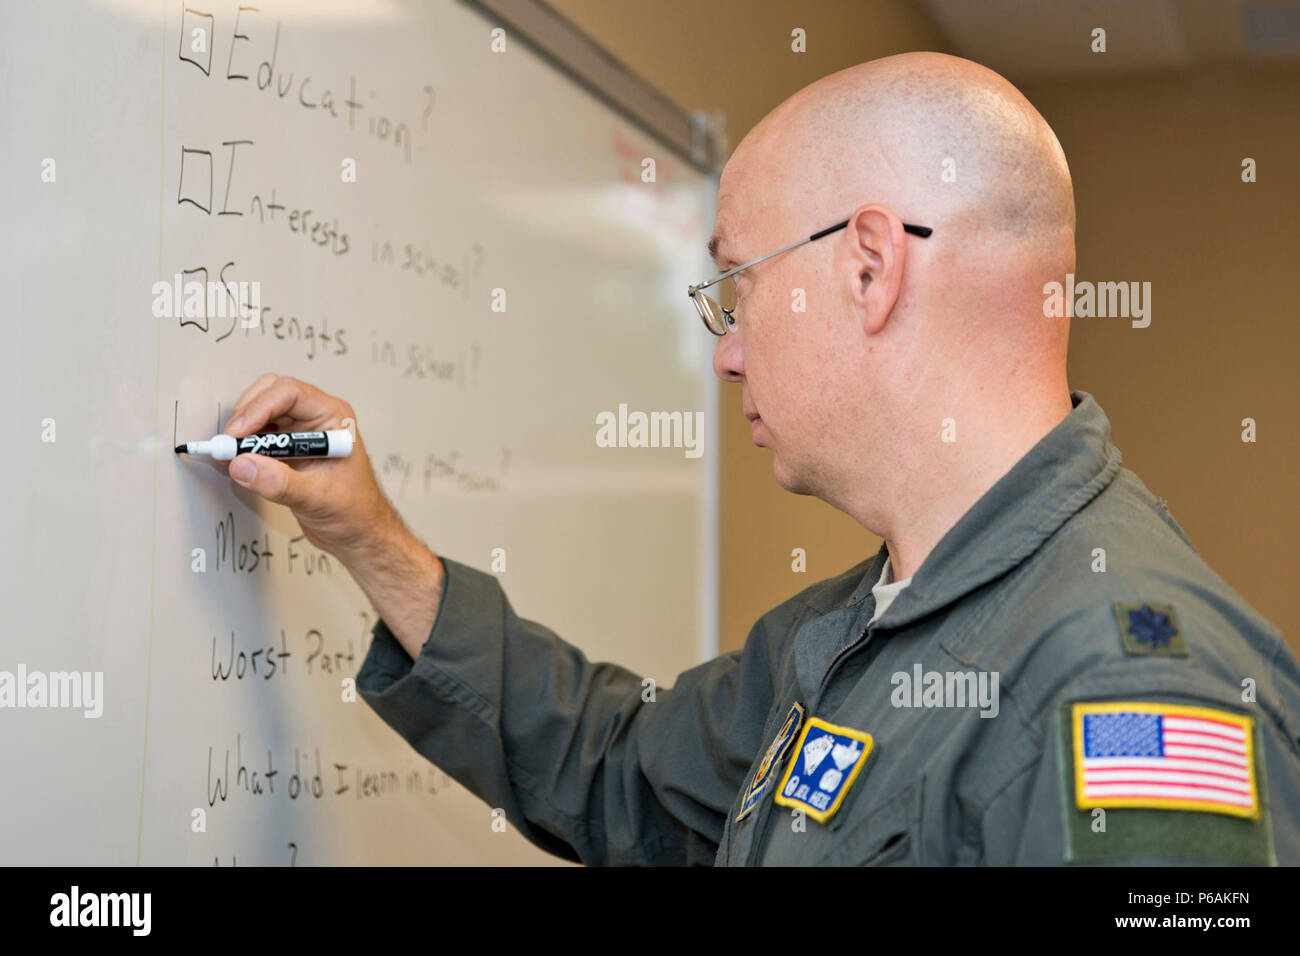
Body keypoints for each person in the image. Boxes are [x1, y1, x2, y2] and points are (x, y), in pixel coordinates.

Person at [212, 52, 1300, 865]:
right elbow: (619, 768)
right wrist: (375, 541)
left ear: (870, 269)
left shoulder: (1127, 688)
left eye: (740, 285)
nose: (726, 351)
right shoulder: (855, 629)